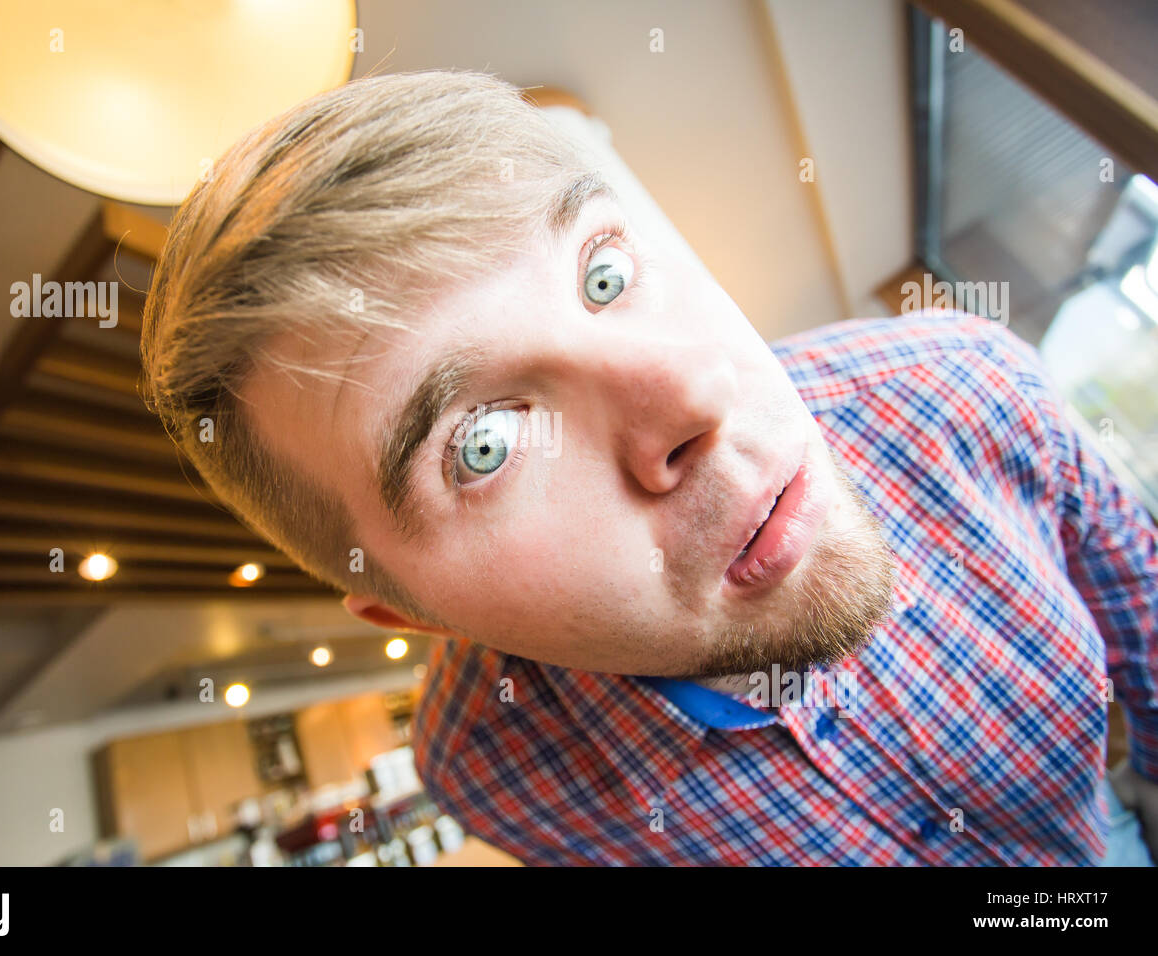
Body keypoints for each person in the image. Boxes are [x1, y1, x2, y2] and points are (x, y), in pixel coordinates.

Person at [140, 69, 1158, 865]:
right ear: (413, 613)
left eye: (604, 273)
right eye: (481, 443)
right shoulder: (488, 763)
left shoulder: (964, 387)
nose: (694, 397)